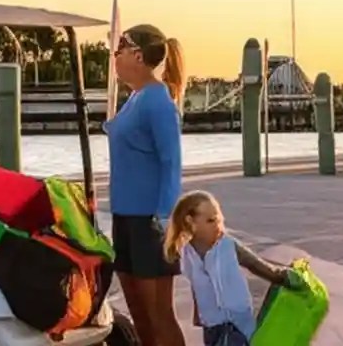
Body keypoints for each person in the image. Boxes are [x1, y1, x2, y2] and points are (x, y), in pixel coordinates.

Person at [104, 24, 186, 346]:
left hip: (149, 222)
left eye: (118, 52)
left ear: (137, 55)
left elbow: (171, 162)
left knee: (158, 315)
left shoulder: (158, 102)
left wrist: (166, 219)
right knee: (138, 314)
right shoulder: (135, 99)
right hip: (124, 218)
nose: (114, 58)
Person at [164, 190, 304, 345]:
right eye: (210, 221)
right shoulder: (187, 254)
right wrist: (198, 313)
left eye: (218, 219)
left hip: (237, 322)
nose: (217, 225)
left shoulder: (228, 245)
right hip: (211, 324)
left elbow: (255, 264)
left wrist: (282, 276)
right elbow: (196, 285)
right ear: (190, 221)